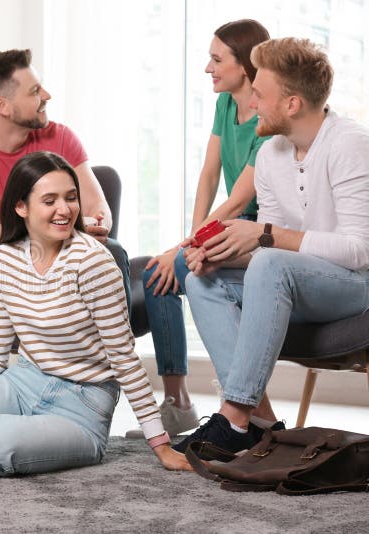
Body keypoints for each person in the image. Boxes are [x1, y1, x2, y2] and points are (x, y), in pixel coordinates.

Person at [0, 151, 190, 475]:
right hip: (23, 382)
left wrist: (161, 446)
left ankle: (4, 435)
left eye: (70, 198)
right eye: (50, 200)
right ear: (22, 207)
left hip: (83, 405)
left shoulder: (95, 262)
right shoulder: (4, 259)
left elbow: (124, 359)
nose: (65, 210)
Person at [173, 38, 369, 457]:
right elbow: (270, 251)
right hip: (296, 279)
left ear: (293, 103)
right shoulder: (271, 155)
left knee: (269, 261)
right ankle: (256, 422)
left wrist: (264, 238)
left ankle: (235, 415)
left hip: (353, 288)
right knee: (202, 278)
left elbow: (359, 251)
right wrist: (225, 254)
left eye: (260, 95)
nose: (253, 105)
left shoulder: (350, 144)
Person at [129, 20, 271, 438]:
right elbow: (210, 174)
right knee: (159, 272)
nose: (208, 68)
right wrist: (192, 237)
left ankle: (246, 412)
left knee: (170, 264)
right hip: (224, 223)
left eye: (216, 59)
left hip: (255, 229)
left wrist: (186, 247)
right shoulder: (225, 104)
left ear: (245, 66)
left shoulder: (266, 118)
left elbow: (239, 201)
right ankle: (179, 403)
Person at [0, 49, 130, 366]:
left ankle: (103, 376)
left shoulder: (60, 137)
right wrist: (45, 234)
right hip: (4, 262)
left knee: (112, 250)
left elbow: (98, 210)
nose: (47, 95)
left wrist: (84, 227)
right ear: (2, 106)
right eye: (34, 91)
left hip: (61, 254)